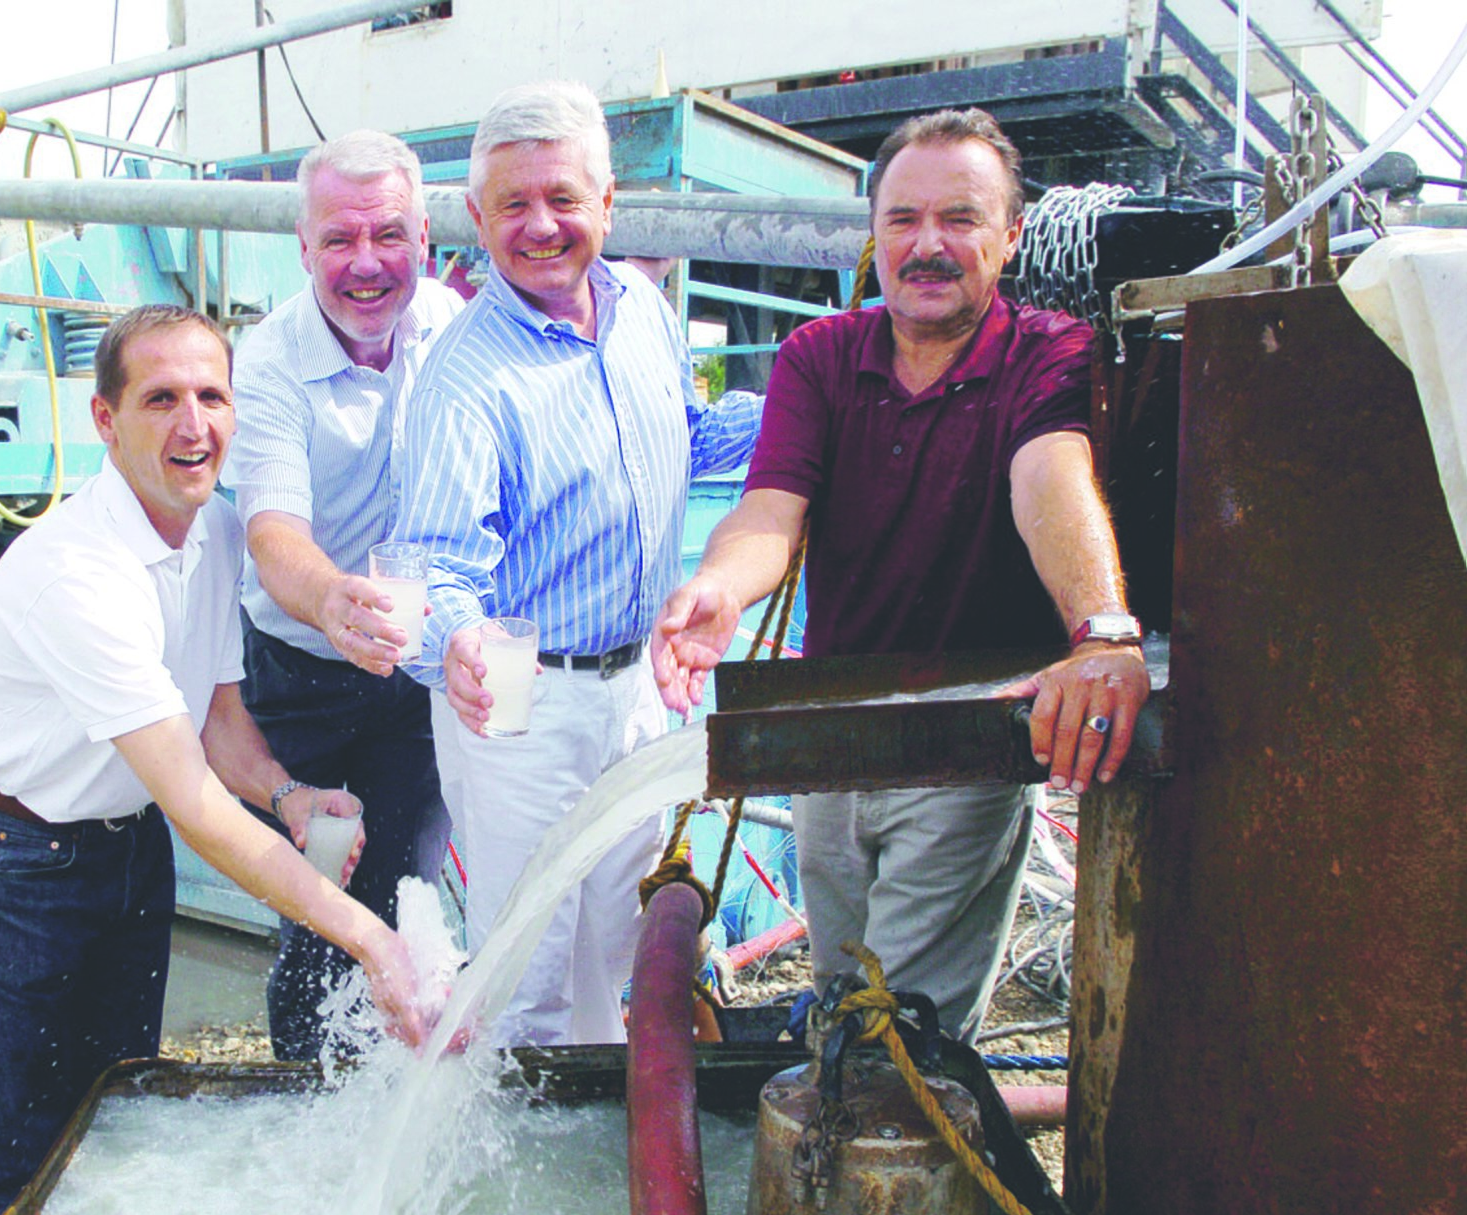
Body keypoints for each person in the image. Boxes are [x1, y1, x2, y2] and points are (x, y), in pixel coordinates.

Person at [0, 305, 429, 1215]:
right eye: (160, 399)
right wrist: (372, 939)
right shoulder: (78, 575)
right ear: (106, 420)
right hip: (18, 864)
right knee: (20, 1156)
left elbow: (215, 719)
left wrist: (286, 793)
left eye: (211, 396)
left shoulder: (218, 534)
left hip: (128, 853)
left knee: (124, 1111)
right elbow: (195, 800)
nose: (192, 424)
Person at [651, 108, 1151, 1041]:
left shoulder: (1051, 352)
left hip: (967, 742)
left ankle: (887, 1151)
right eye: (903, 220)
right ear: (873, 236)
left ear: (1009, 237)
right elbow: (769, 511)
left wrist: (1104, 629)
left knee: (900, 1028)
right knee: (845, 997)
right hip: (833, 735)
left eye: (960, 219)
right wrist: (718, 587)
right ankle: (846, 1147)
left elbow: (1051, 478)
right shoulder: (820, 356)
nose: (929, 245)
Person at [392, 81, 762, 1048]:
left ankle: (599, 1142)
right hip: (519, 676)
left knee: (618, 930)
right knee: (530, 962)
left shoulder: (640, 305)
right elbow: (435, 565)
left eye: (563, 199)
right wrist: (459, 638)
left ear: (608, 204)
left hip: (637, 672)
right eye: (512, 205)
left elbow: (686, 436)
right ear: (476, 218)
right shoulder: (464, 378)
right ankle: (534, 1174)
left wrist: (812, 410)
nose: (541, 226)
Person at [222, 131, 461, 1061]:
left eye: (389, 235)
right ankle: (303, 1095)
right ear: (303, 248)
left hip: (413, 668)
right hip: (300, 670)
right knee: (319, 901)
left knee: (406, 886)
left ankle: (392, 1095)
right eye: (339, 240)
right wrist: (332, 602)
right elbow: (273, 532)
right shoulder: (271, 358)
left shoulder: (454, 328)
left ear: (427, 239)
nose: (367, 264)